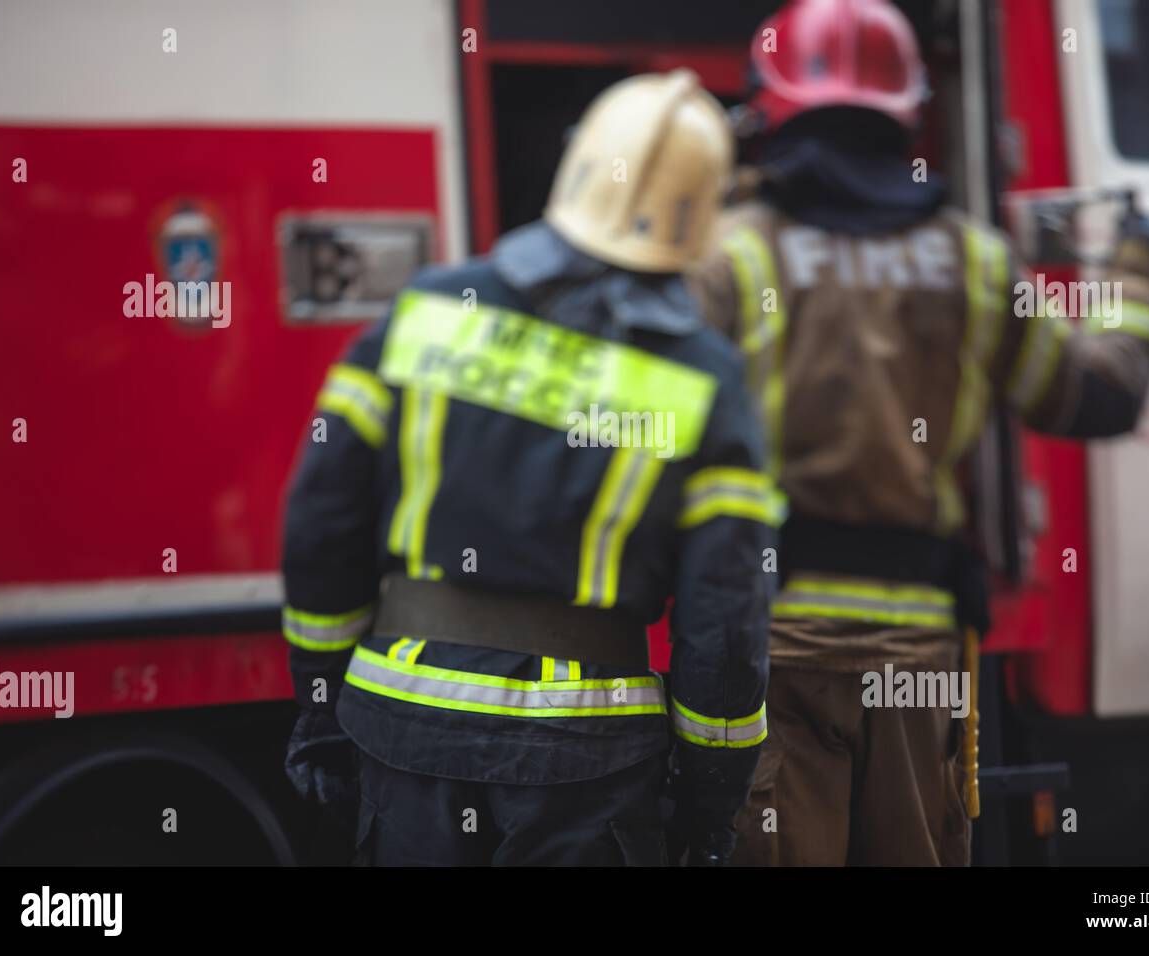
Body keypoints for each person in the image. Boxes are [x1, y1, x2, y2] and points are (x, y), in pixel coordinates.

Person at [689, 0, 1149, 866]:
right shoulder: (974, 261)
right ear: (907, 111)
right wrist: (1135, 279)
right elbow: (1097, 399)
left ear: (771, 107)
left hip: (773, 654)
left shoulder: (731, 256)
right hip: (918, 662)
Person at [281, 70, 778, 866]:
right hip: (589, 768)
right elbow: (726, 621)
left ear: (574, 167)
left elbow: (321, 527)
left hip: (402, 733)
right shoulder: (703, 379)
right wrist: (709, 804)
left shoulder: (430, 311)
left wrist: (319, 708)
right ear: (704, 211)